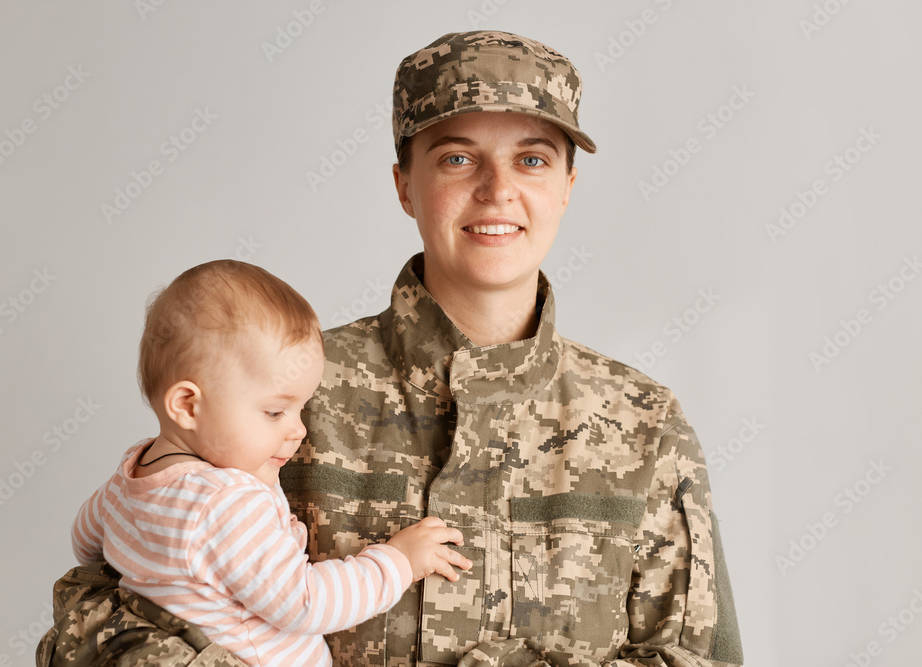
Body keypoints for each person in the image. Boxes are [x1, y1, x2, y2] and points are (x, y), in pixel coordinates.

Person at [38, 31, 742, 667]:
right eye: (458, 157)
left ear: (567, 188)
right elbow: (97, 612)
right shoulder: (284, 388)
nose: (498, 190)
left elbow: (699, 658)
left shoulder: (645, 422)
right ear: (405, 184)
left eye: (532, 159)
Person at [65, 260, 470, 667]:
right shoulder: (226, 503)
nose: (298, 430)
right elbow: (306, 603)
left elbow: (85, 542)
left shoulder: (130, 476)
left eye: (301, 409)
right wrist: (398, 561)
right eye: (275, 413)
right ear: (187, 406)